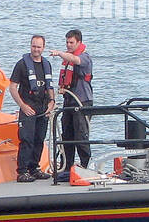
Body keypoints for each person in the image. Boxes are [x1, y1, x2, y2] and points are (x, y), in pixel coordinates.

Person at [8, 34, 55, 182]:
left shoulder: (46, 64)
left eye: (39, 47)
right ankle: (22, 171)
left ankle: (34, 168)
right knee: (26, 139)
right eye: (34, 46)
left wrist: (52, 102)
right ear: (30, 46)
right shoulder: (21, 64)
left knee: (39, 139)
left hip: (43, 108)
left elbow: (50, 86)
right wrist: (22, 105)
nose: (36, 49)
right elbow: (12, 87)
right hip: (28, 107)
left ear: (43, 48)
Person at [50, 28, 94, 178]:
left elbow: (76, 60)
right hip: (68, 101)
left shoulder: (85, 57)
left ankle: (85, 165)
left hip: (81, 102)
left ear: (79, 43)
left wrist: (61, 53)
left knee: (81, 135)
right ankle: (66, 167)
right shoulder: (68, 59)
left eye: (71, 42)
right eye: (67, 42)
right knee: (66, 135)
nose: (68, 45)